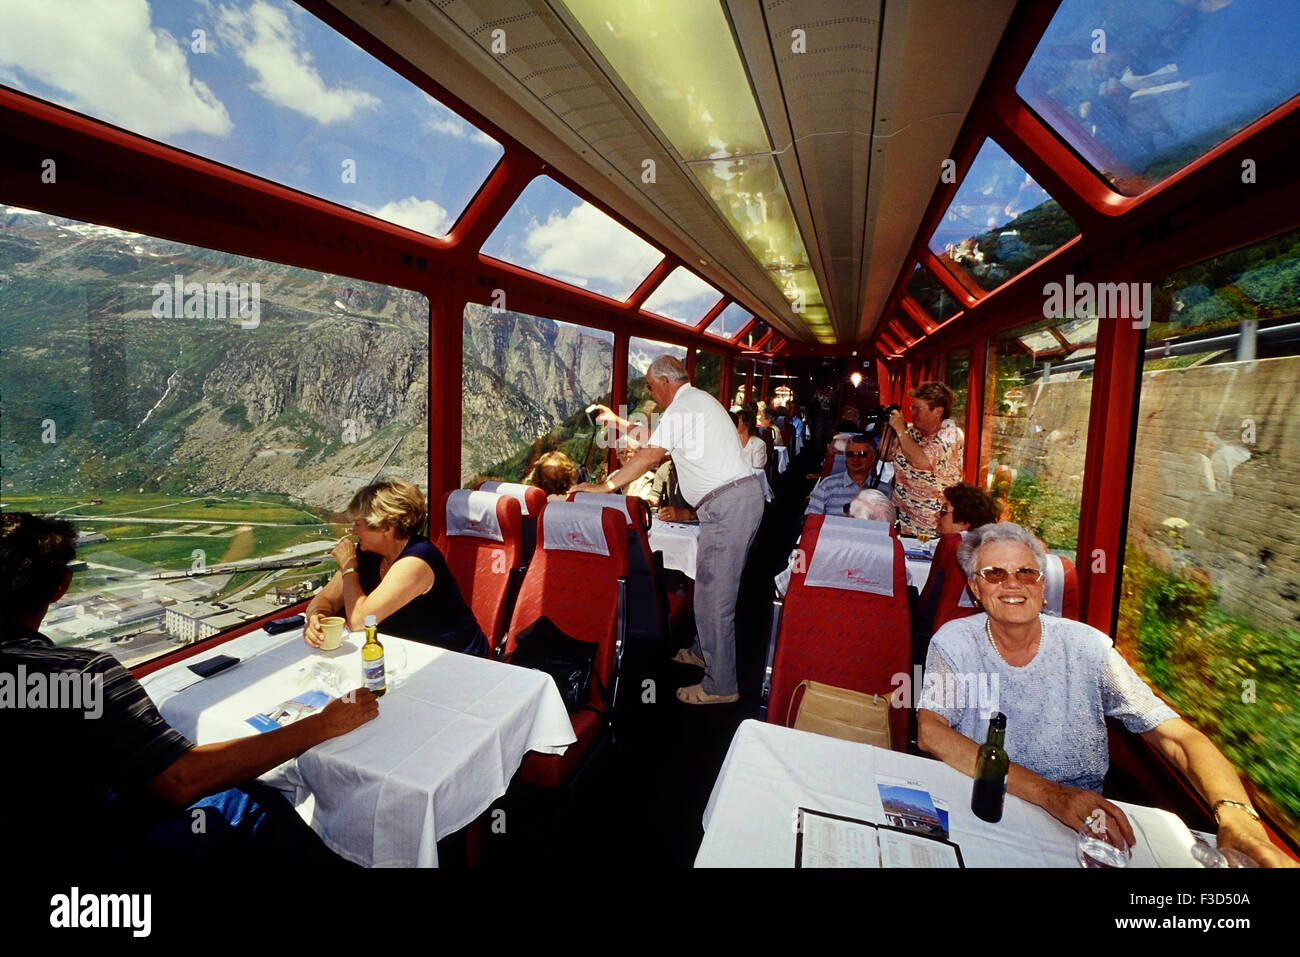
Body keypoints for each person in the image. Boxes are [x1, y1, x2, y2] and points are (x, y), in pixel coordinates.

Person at [1, 512, 378, 867]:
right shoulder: (81, 675)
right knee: (259, 801)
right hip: (94, 845)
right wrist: (322, 726)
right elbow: (181, 780)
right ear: (61, 587)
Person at [917, 522, 1293, 867]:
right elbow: (930, 732)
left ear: (1042, 585)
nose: (1012, 584)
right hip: (982, 805)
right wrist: (1050, 794)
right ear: (974, 588)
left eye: (1026, 572)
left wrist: (1239, 818)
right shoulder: (955, 642)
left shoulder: (1088, 650)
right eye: (995, 574)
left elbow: (1179, 737)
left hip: (1078, 827)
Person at [574, 355, 763, 705]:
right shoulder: (693, 403)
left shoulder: (684, 406)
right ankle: (705, 652)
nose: (650, 393)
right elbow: (653, 443)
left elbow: (649, 456)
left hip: (728, 506)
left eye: (649, 386)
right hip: (728, 504)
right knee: (708, 589)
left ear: (663, 381)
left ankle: (721, 685)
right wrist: (617, 421)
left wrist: (606, 487)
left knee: (716, 597)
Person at [304, 479, 488, 656]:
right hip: (402, 653)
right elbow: (325, 599)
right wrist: (317, 618)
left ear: (387, 528)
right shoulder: (367, 552)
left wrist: (349, 566)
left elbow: (359, 621)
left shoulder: (418, 560)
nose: (353, 531)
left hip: (454, 658)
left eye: (359, 525)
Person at [886, 381, 965, 537]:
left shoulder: (950, 434)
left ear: (938, 411)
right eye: (912, 408)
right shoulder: (913, 433)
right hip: (902, 522)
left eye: (918, 409)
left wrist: (901, 431)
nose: (913, 413)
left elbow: (922, 462)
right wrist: (889, 430)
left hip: (930, 528)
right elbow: (886, 455)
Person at [805, 434, 893, 515]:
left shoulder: (885, 490)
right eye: (850, 454)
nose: (855, 459)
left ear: (873, 457)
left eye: (862, 454)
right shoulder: (827, 485)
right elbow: (812, 521)